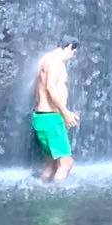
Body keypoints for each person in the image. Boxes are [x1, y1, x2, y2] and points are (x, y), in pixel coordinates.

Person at [31, 41, 80, 183]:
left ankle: (42, 190)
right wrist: (65, 113)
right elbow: (50, 87)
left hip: (43, 117)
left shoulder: (44, 60)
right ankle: (57, 196)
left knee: (51, 164)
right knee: (66, 164)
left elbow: (37, 89)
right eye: (73, 53)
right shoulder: (55, 62)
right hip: (51, 119)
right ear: (69, 46)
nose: (73, 57)